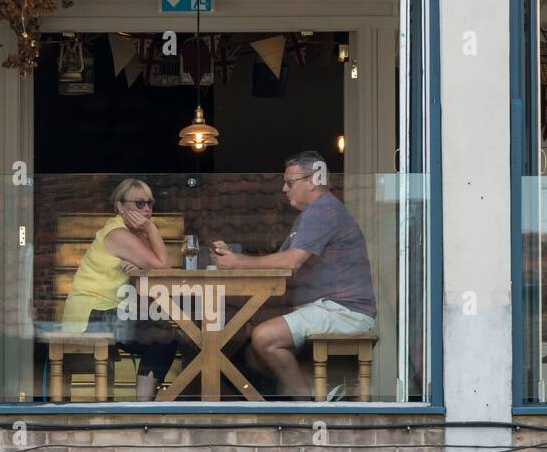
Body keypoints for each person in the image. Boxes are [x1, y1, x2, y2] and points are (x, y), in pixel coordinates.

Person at [211, 151, 376, 400]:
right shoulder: (312, 213)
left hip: (344, 312)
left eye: (290, 183)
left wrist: (236, 262)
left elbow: (290, 262)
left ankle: (309, 407)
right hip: (327, 308)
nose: (284, 189)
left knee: (264, 338)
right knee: (252, 356)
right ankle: (321, 391)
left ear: (313, 180)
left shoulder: (323, 210)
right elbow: (280, 265)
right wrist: (235, 259)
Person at [60, 178, 179, 402]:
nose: (147, 209)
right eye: (139, 203)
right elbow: (163, 268)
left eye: (150, 203)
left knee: (164, 336)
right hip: (91, 315)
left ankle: (143, 405)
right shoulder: (119, 234)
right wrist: (151, 228)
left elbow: (154, 269)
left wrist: (139, 266)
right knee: (163, 338)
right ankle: (143, 406)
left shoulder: (132, 233)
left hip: (102, 310)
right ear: (120, 206)